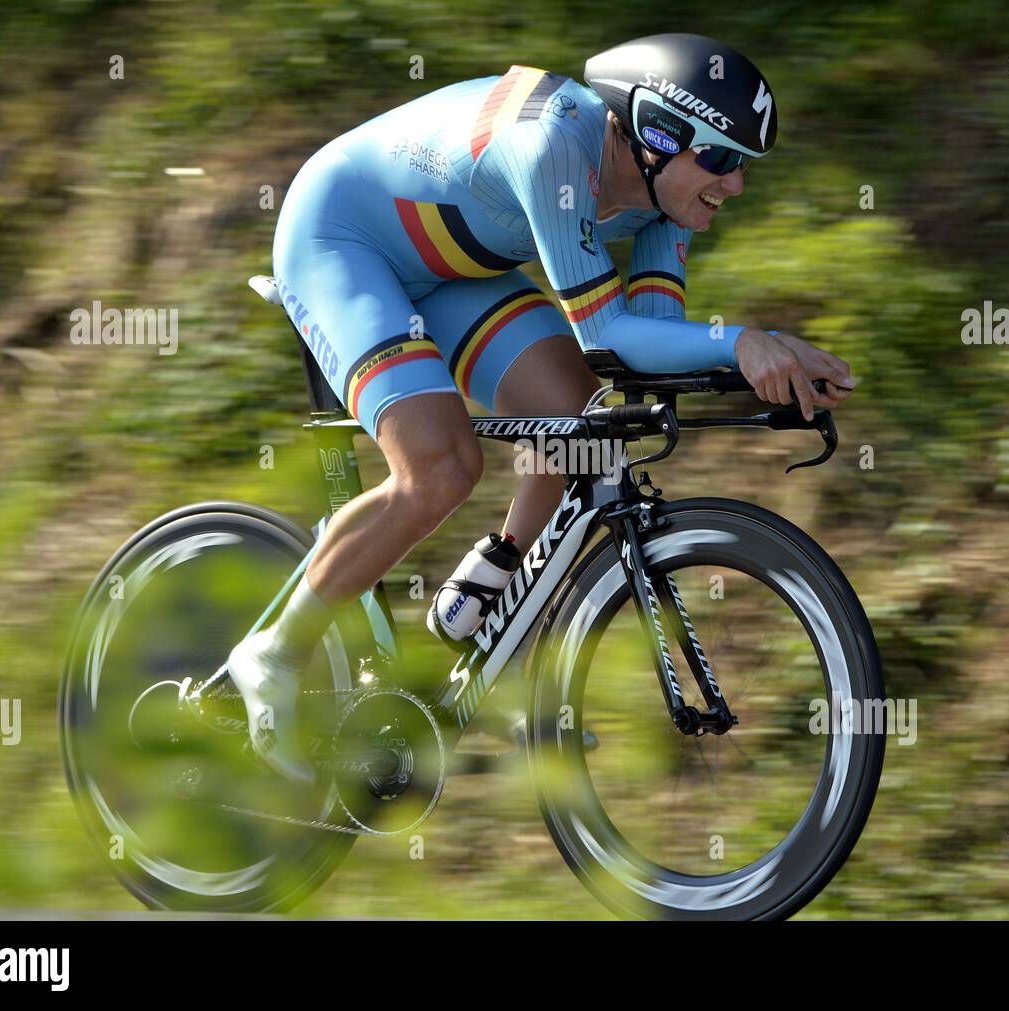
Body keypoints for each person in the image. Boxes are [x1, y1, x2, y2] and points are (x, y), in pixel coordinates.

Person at [229, 33, 856, 783]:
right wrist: (746, 342)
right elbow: (606, 329)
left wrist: (761, 363)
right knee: (442, 464)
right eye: (719, 159)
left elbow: (640, 351)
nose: (736, 185)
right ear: (658, 135)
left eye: (743, 164)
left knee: (585, 431)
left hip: (450, 269)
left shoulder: (665, 206)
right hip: (342, 239)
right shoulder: (556, 144)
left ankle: (474, 607)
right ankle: (272, 652)